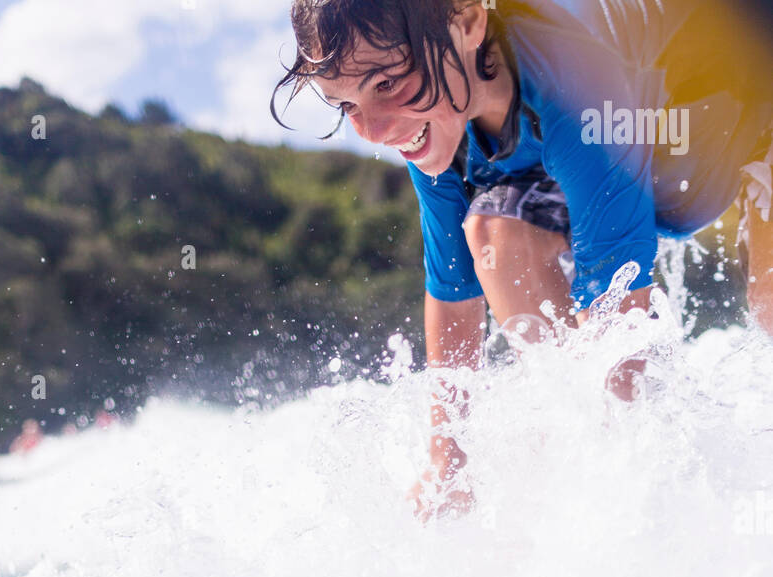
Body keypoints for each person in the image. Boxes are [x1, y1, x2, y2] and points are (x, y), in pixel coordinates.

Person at [273, 0, 773, 516]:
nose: (374, 131)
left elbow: (617, 313)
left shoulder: (575, 86)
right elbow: (453, 292)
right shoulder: (435, 113)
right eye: (346, 106)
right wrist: (448, 468)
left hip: (739, 71)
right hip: (633, 126)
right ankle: (575, 456)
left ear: (467, 23)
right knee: (494, 235)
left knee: (764, 305)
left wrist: (629, 497)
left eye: (386, 84)